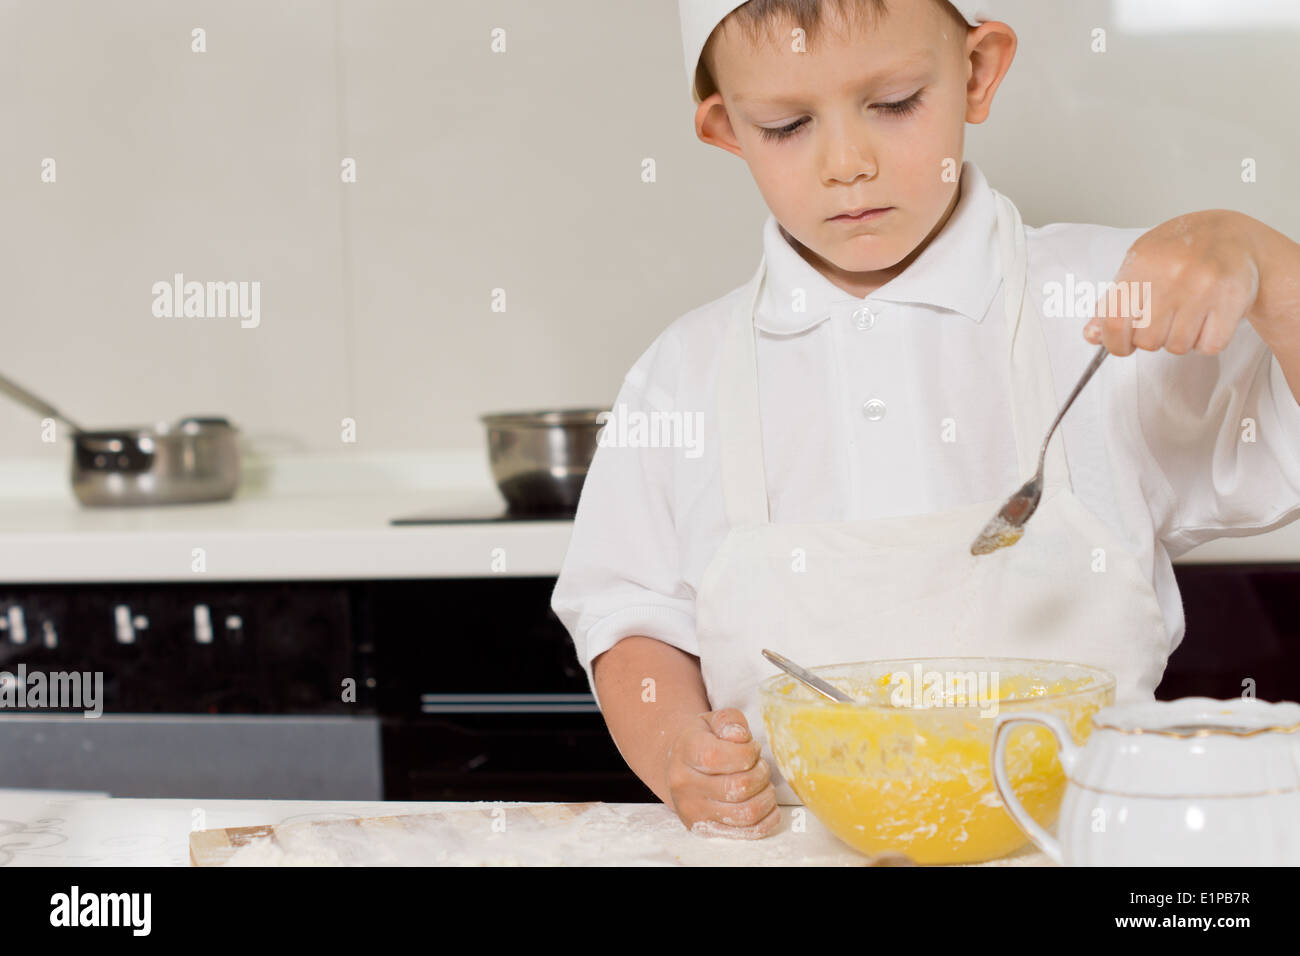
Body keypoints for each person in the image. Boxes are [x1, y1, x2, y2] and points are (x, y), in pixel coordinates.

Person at [551, 0, 1300, 839]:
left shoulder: (1114, 300)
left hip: (1079, 847)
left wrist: (1271, 269)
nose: (848, 163)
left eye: (896, 103)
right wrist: (677, 747)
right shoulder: (682, 373)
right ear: (727, 128)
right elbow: (631, 614)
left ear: (977, 73)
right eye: (789, 124)